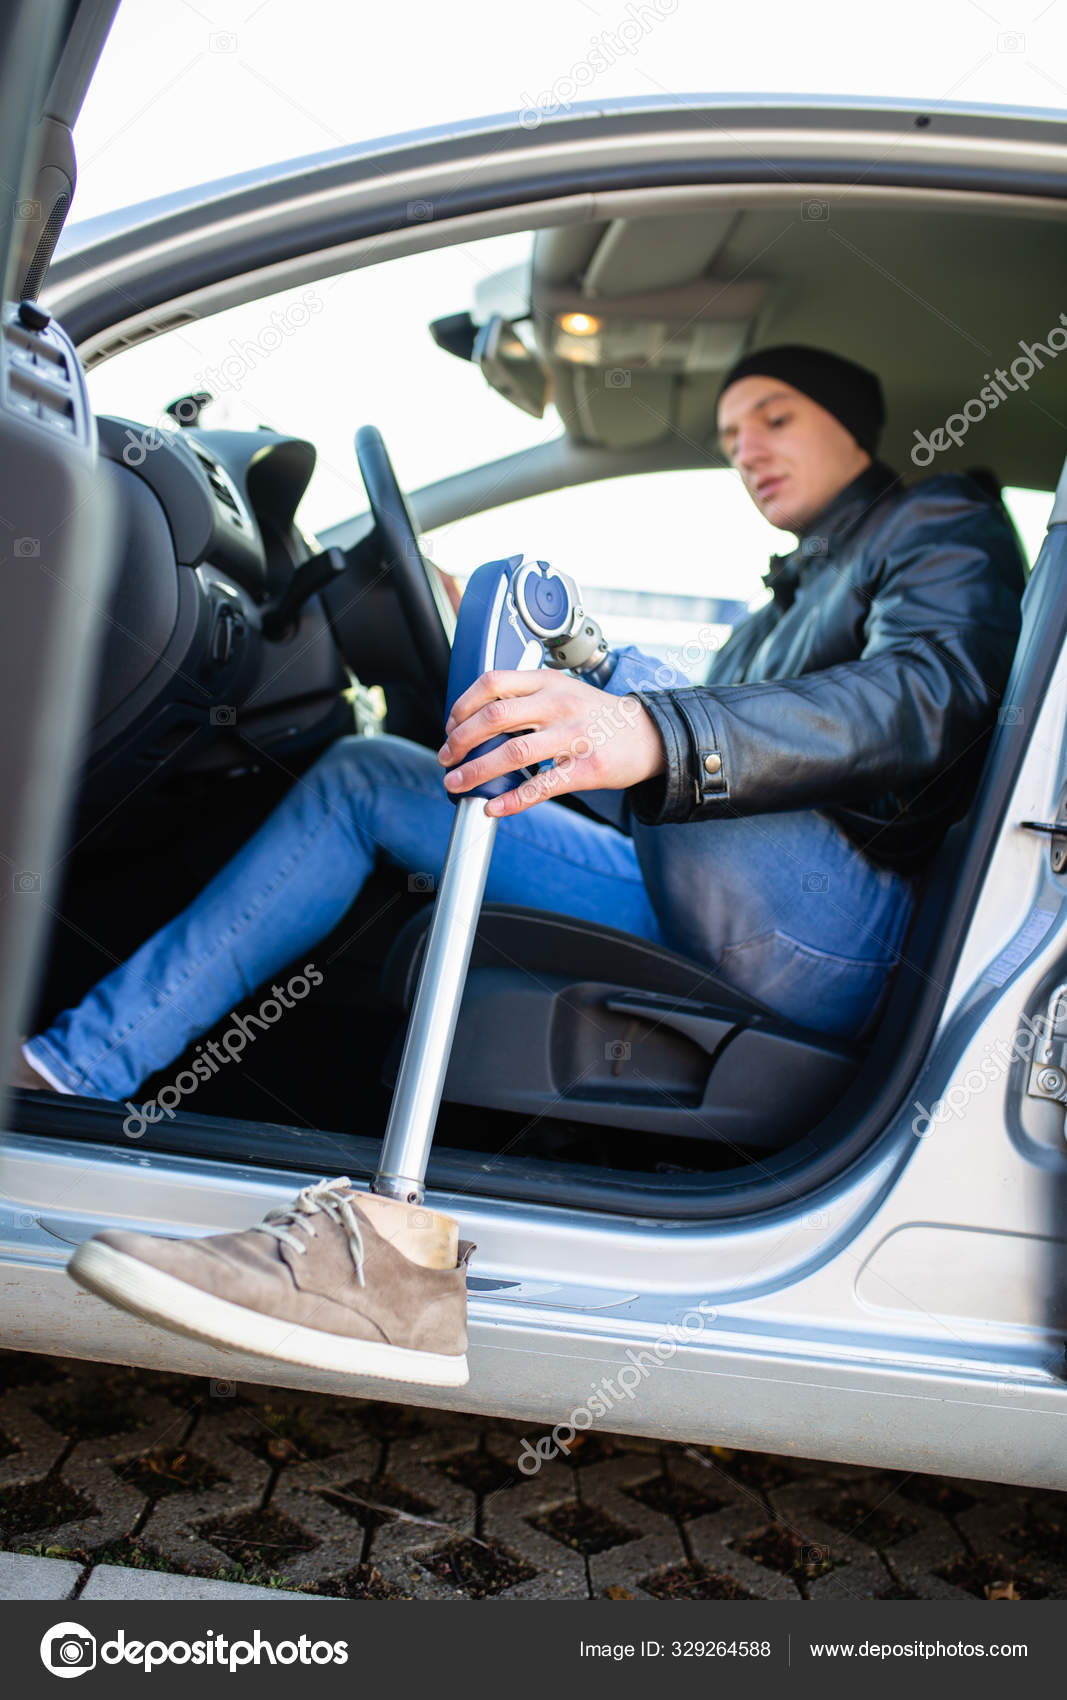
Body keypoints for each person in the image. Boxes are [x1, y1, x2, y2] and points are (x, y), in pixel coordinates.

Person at [26, 344, 1026, 1388]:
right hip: (734, 890)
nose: (746, 452)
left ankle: (391, 1258)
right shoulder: (785, 595)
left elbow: (932, 693)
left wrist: (644, 716)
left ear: (852, 426)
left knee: (643, 699)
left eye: (773, 418)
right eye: (730, 436)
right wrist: (529, 685)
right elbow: (688, 764)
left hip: (849, 926)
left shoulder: (935, 517)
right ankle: (69, 1068)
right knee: (372, 776)